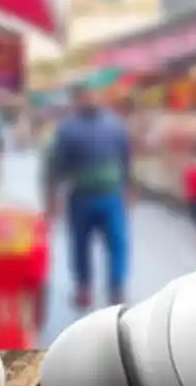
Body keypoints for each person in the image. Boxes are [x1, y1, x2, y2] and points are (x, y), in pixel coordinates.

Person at [46, 85, 133, 310]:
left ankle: (117, 288)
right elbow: (55, 167)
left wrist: (129, 189)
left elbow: (126, 159)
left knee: (118, 243)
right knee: (80, 245)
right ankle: (83, 288)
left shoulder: (115, 125)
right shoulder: (66, 130)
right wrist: (52, 198)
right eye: (85, 96)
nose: (91, 99)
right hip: (81, 198)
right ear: (77, 100)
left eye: (94, 94)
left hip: (111, 196)